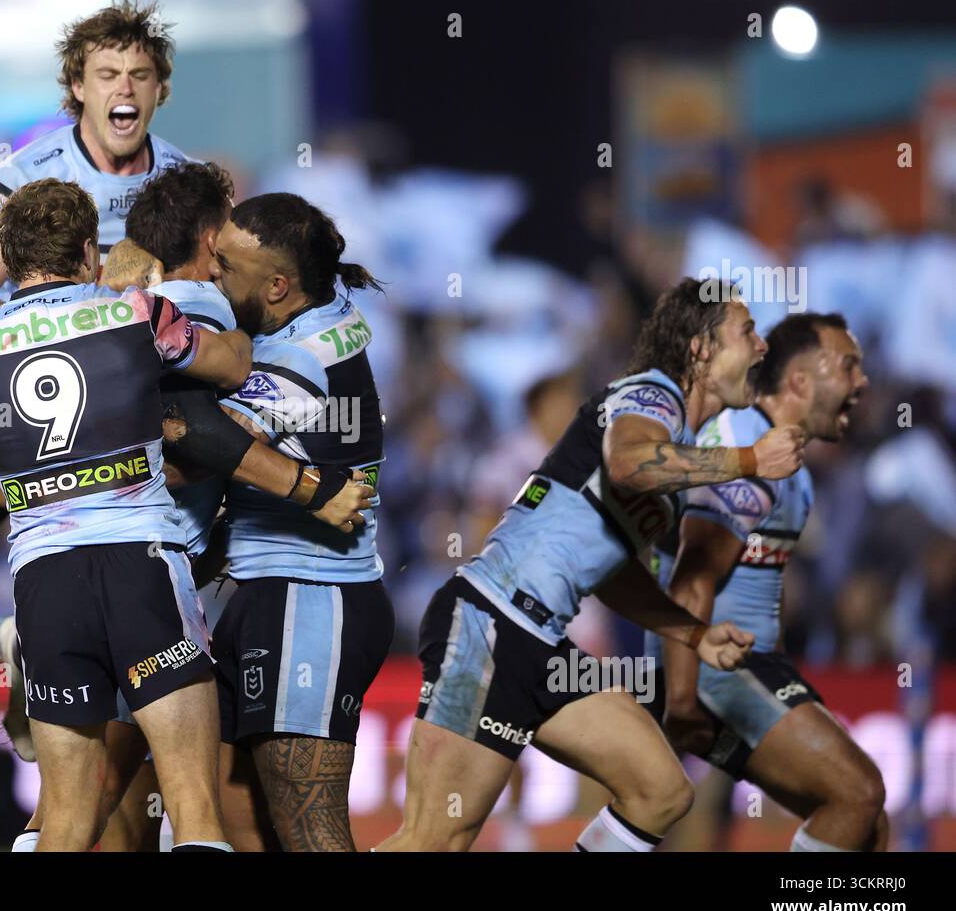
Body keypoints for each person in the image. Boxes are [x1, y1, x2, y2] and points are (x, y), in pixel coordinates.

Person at [0, 1, 369, 819]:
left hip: (133, 413)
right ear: (78, 87)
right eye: (107, 74)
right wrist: (76, 322)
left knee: (170, 550)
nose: (124, 88)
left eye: (139, 74)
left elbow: (225, 309)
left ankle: (51, 664)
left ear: (162, 88)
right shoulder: (26, 177)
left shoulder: (191, 186)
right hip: (19, 404)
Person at [379, 277, 804, 852]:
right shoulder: (652, 394)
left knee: (662, 792)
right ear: (701, 349)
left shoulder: (677, 453)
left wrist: (693, 634)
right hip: (492, 625)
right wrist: (750, 458)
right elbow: (629, 463)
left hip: (543, 643)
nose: (761, 348)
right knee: (433, 842)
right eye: (747, 332)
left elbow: (614, 572)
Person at [0, 177, 253, 850]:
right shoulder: (133, 313)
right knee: (194, 807)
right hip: (140, 564)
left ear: (8, 260)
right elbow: (229, 366)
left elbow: (1, 488)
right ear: (90, 249)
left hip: (41, 583)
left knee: (63, 821)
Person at [648, 312, 886, 851]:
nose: (862, 382)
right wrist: (682, 699)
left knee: (866, 826)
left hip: (748, 662)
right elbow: (693, 574)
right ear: (801, 381)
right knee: (858, 793)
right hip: (715, 666)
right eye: (848, 367)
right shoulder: (744, 448)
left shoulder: (790, 468)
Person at [209, 193, 394, 851]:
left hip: (309, 599)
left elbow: (207, 449)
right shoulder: (322, 314)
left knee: (311, 834)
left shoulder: (298, 360)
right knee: (242, 829)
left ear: (280, 286)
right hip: (263, 591)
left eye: (224, 264)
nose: (209, 270)